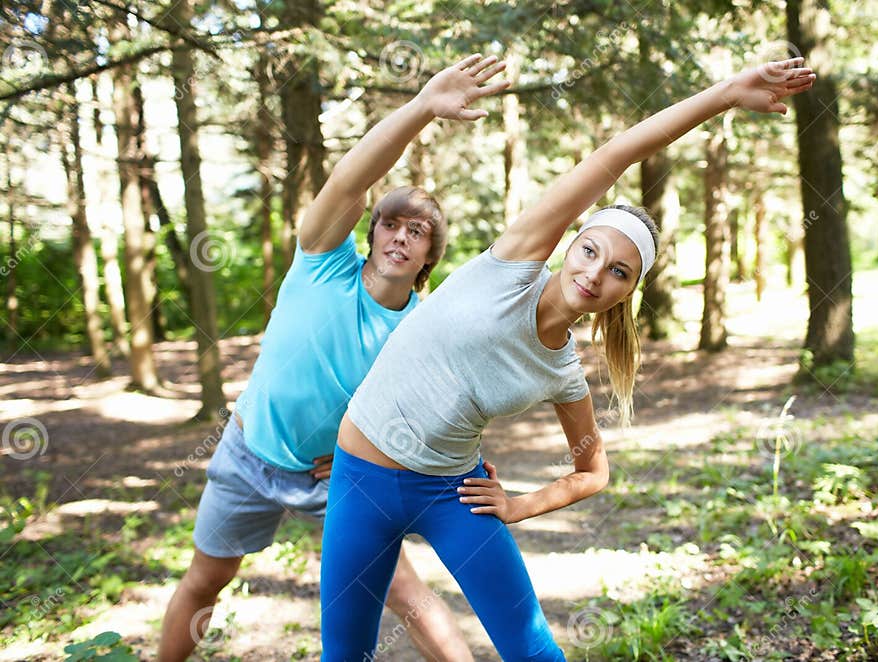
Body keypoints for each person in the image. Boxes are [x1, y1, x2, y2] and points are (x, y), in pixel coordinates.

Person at [318, 57, 816, 660]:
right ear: (569, 245)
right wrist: (727, 94)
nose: (594, 272)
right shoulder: (513, 263)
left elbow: (593, 471)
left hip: (453, 491)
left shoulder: (562, 370)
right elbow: (618, 154)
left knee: (533, 651)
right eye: (589, 250)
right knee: (344, 654)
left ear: (627, 294)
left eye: (618, 272)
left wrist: (522, 505)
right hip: (360, 476)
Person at [158, 53, 512, 661]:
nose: (401, 235)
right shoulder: (321, 261)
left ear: (429, 256)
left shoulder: (420, 330)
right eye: (391, 224)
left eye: (418, 231)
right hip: (249, 451)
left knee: (404, 591)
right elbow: (350, 180)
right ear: (370, 232)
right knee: (205, 579)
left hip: (340, 475)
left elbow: (442, 413)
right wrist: (423, 107)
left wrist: (471, 471)